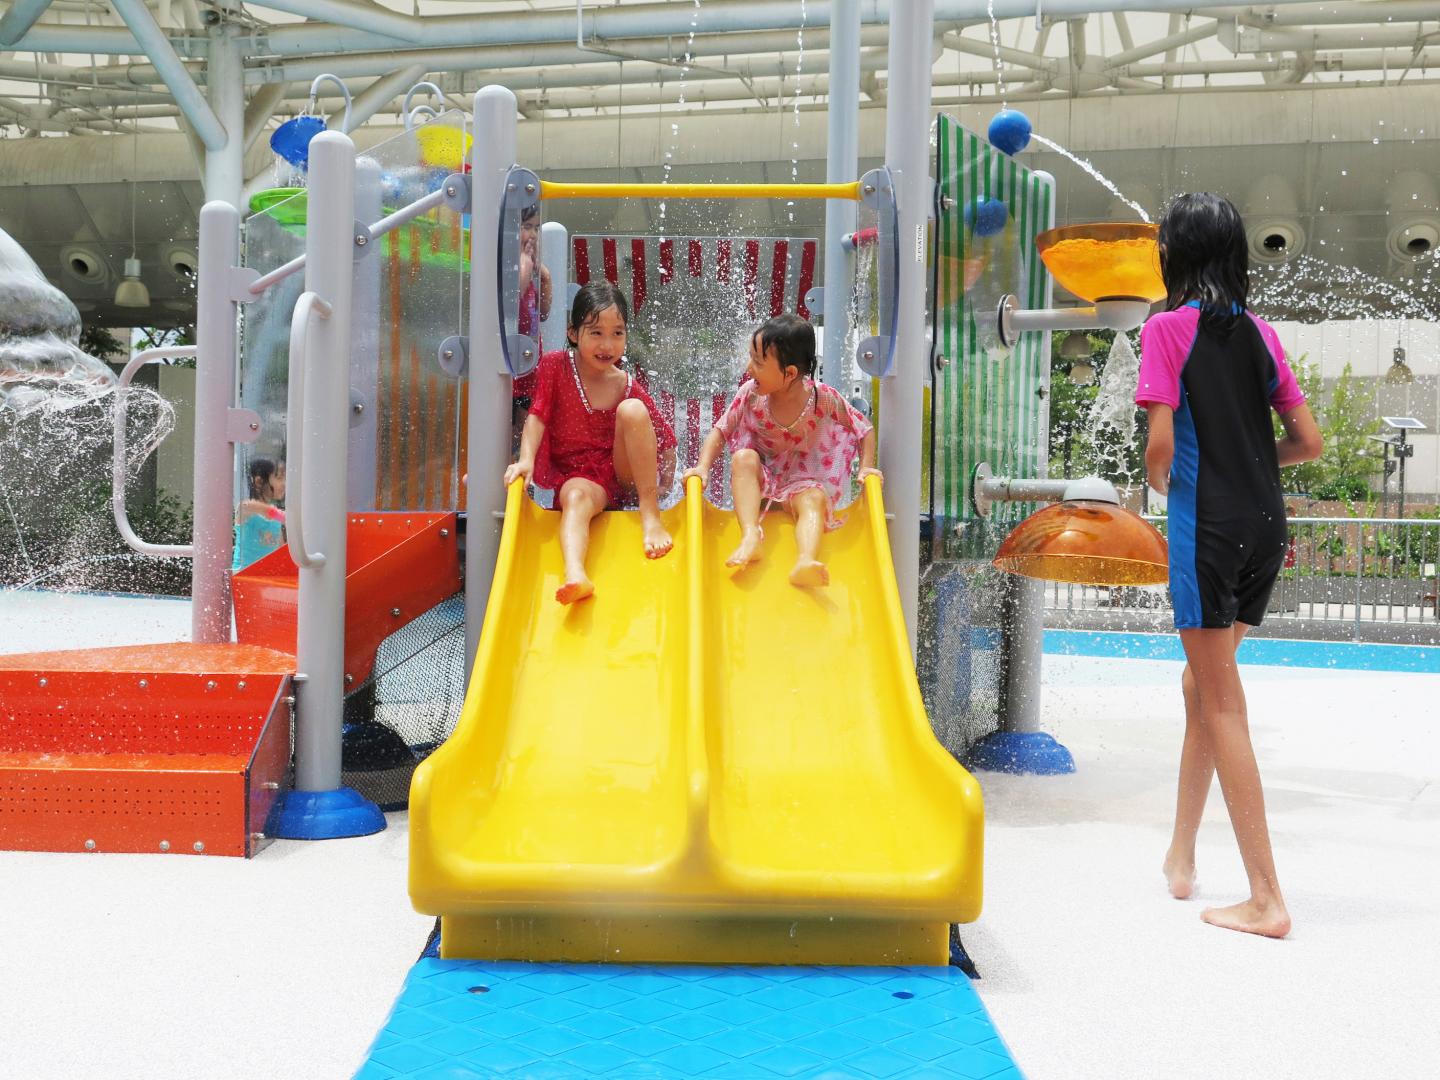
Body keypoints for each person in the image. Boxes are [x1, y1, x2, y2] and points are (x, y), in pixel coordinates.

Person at [1136, 192, 1322, 939]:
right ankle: (1181, 855)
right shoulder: (1263, 334)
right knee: (1202, 684)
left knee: (1221, 702)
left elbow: (1157, 450)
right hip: (1263, 525)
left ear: (1172, 256)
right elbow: (1306, 442)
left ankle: (1266, 897)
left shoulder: (1165, 329)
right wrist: (1250, 465)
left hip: (1208, 527)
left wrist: (1170, 478)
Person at [504, 281, 677, 604]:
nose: (607, 344)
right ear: (573, 333)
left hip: (619, 475)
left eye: (617, 333)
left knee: (634, 410)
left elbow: (665, 440)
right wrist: (525, 459)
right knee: (577, 496)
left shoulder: (626, 384)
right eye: (596, 332)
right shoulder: (556, 365)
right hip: (579, 479)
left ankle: (650, 515)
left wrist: (665, 483)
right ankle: (575, 574)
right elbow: (537, 416)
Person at [684, 313, 880, 587]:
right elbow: (721, 431)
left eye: (758, 362)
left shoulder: (822, 399)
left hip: (802, 484)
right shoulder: (750, 394)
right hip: (764, 485)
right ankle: (751, 535)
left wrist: (866, 466)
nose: (748, 368)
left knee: (813, 498)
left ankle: (805, 561)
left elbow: (864, 429)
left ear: (789, 373)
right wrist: (702, 467)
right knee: (743, 458)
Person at [232, 456, 286, 571]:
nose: (284, 483)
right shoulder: (246, 508)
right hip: (243, 575)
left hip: (266, 577)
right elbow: (258, 508)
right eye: (279, 478)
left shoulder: (276, 517)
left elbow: (281, 552)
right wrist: (284, 517)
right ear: (259, 481)